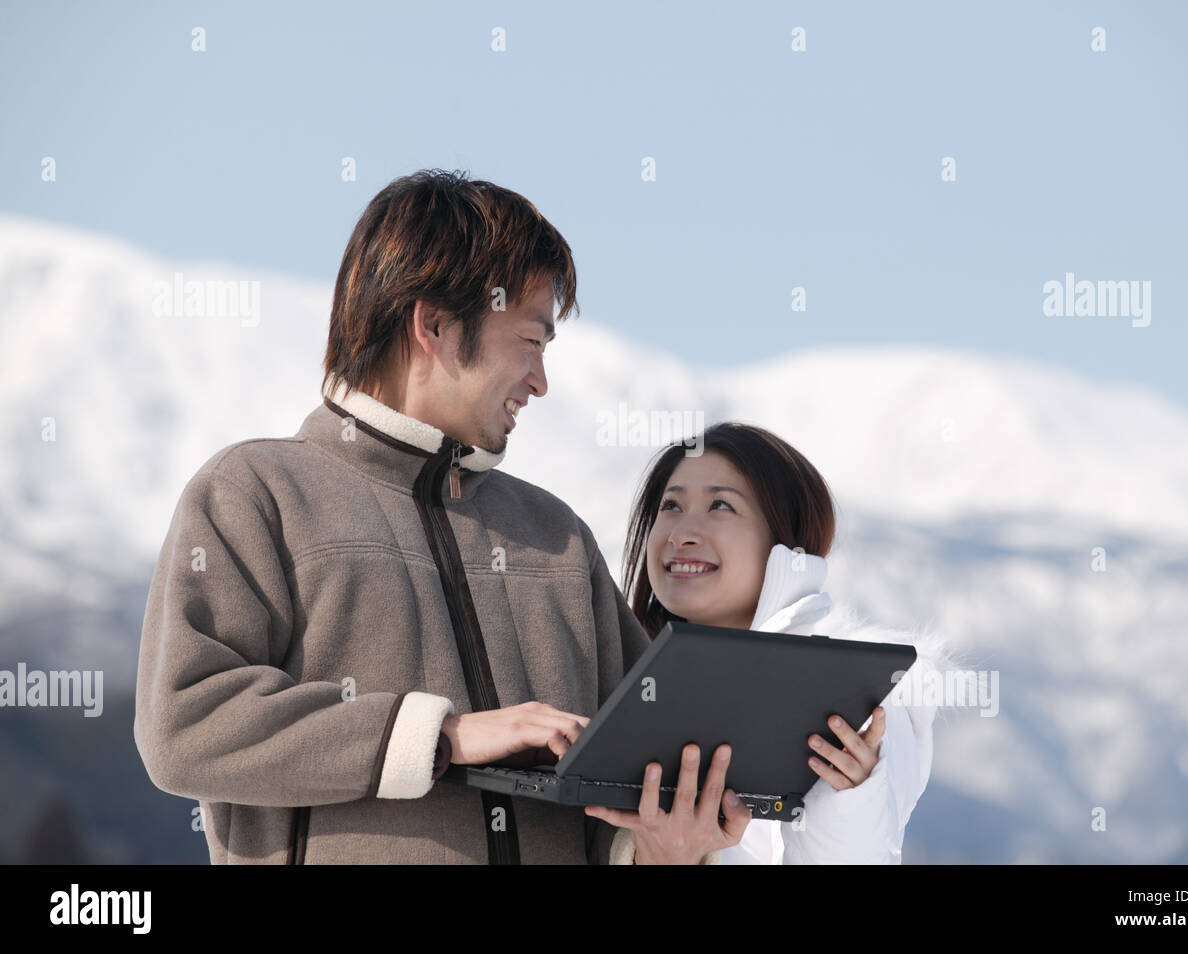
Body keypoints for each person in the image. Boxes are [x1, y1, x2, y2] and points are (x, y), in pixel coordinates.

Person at [133, 169, 749, 864]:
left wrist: (667, 845)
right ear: (434, 325)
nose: (541, 381)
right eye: (531, 341)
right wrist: (440, 735)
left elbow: (633, 774)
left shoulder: (558, 539)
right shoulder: (256, 493)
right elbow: (185, 725)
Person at [585, 422, 959, 864]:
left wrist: (850, 799)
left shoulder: (852, 690)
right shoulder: (619, 681)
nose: (681, 532)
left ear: (784, 538)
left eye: (720, 505)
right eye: (671, 505)